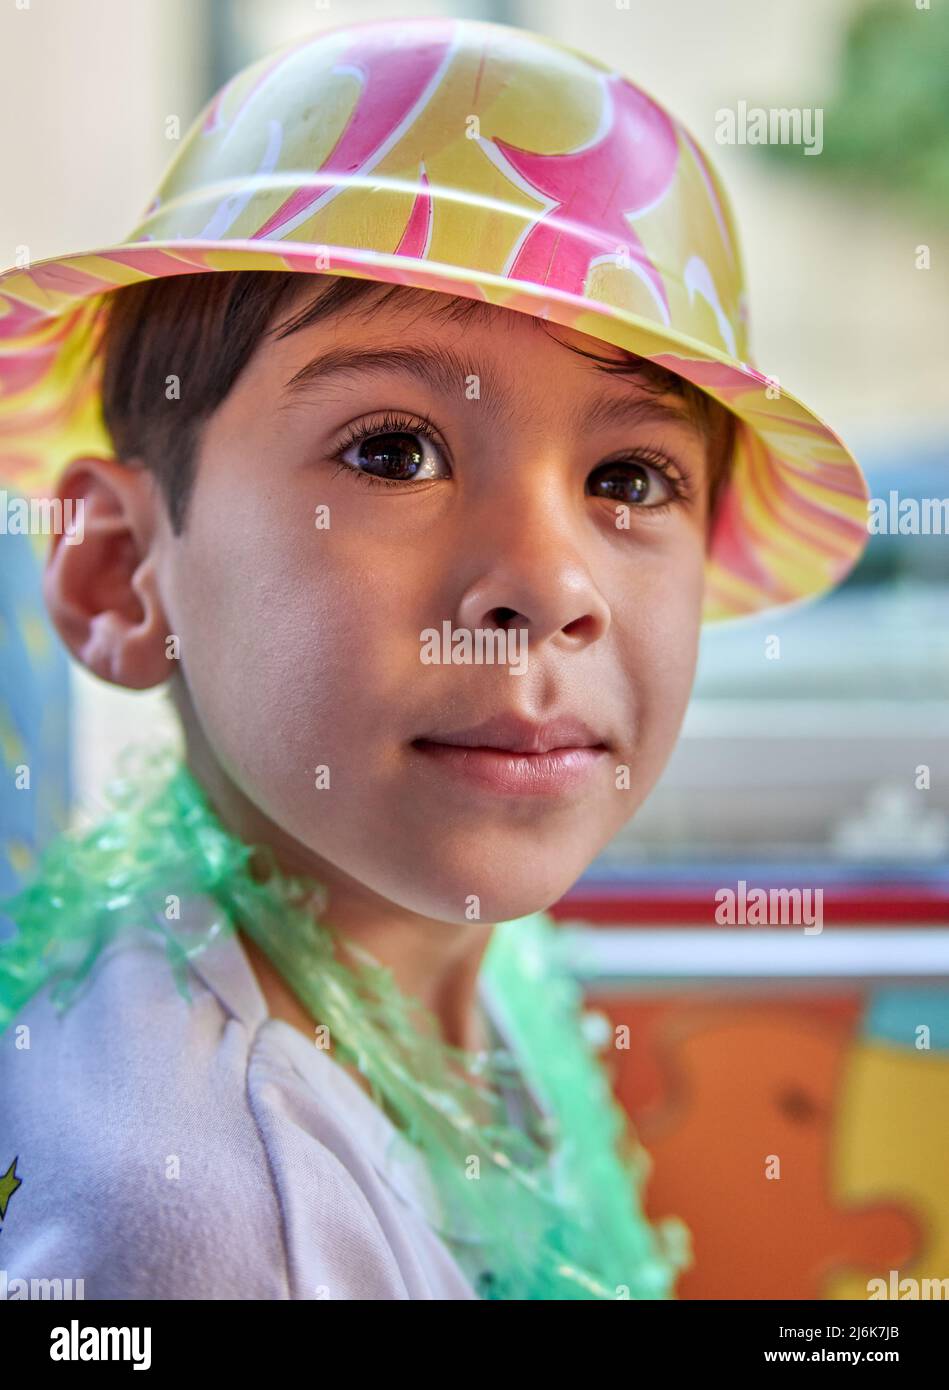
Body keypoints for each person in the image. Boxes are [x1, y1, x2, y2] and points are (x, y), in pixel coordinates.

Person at [0, 16, 869, 1300]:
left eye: (628, 476)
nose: (548, 583)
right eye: (393, 451)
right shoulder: (215, 1221)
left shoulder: (465, 941)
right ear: (121, 573)